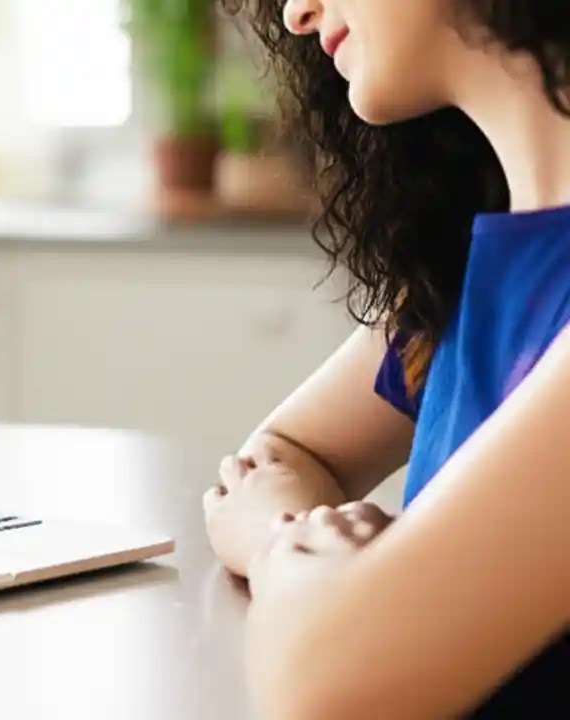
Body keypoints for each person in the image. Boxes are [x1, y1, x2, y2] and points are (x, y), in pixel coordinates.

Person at [203, 1, 570, 717]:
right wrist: (317, 559)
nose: (298, 13)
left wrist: (282, 550)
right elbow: (279, 456)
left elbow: (325, 684)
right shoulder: (450, 278)